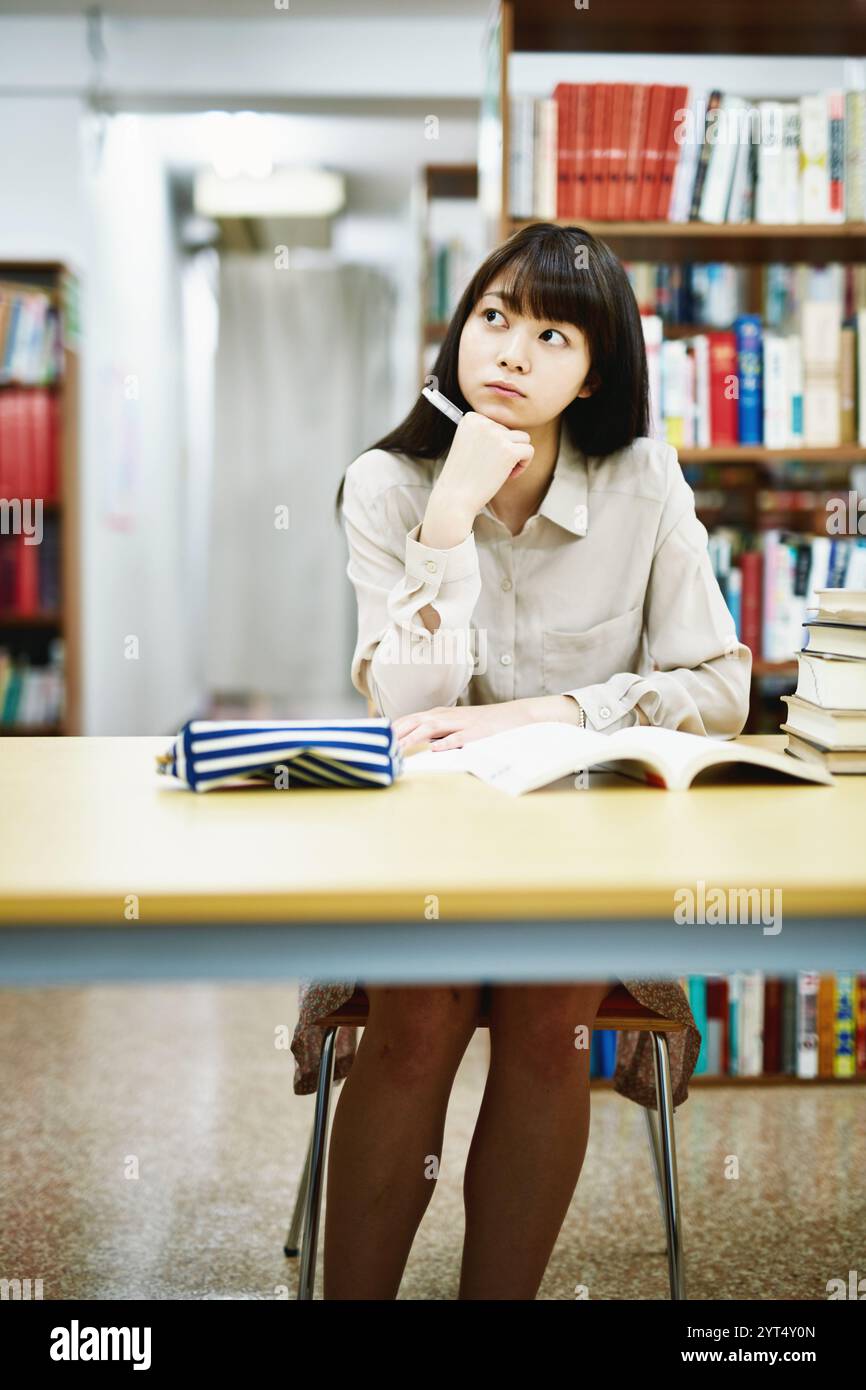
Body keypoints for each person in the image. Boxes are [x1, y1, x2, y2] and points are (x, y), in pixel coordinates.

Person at [291, 222, 751, 1299]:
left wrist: (552, 710)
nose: (510, 350)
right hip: (426, 837)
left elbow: (720, 686)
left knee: (551, 1018)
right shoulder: (385, 483)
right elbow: (405, 707)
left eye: (553, 335)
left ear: (595, 374)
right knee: (417, 1018)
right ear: (459, 332)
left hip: (578, 832)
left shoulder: (641, 478)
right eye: (494, 317)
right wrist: (446, 517)